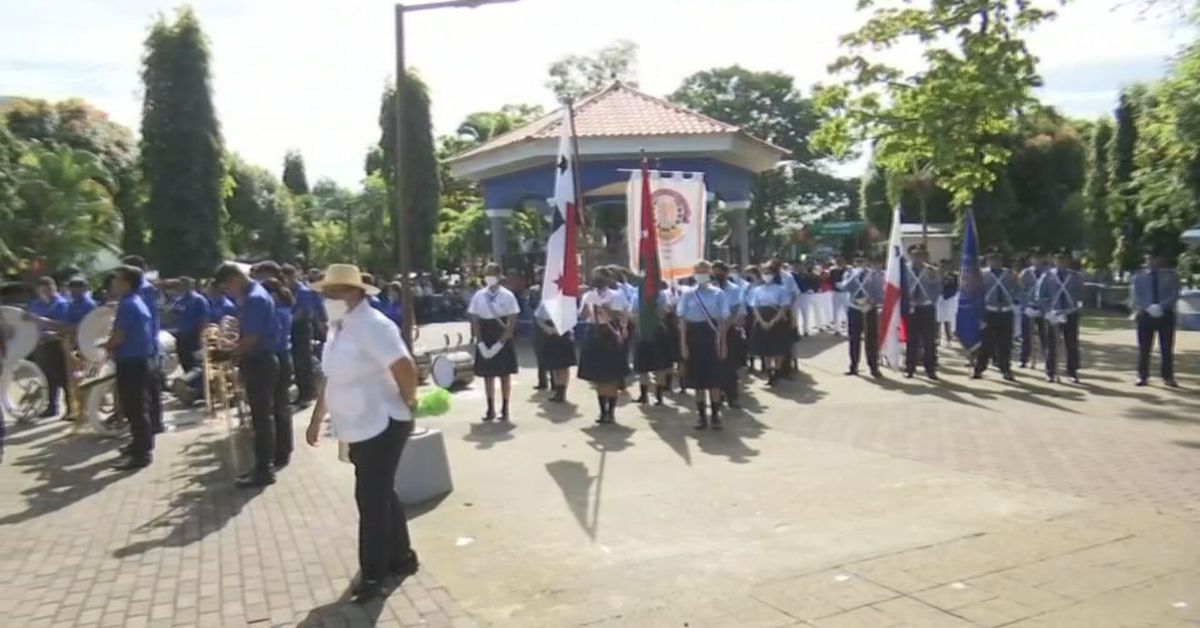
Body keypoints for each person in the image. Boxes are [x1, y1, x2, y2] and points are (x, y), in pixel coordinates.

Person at [304, 263, 420, 602]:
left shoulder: (373, 325)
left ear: (356, 292)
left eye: (335, 292)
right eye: (326, 293)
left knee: (370, 500)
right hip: (357, 425)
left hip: (382, 423)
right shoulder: (338, 327)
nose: (328, 298)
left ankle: (373, 573)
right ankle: (402, 557)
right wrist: (316, 418)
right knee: (381, 493)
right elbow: (330, 376)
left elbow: (405, 367)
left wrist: (409, 402)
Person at [213, 262, 280, 487]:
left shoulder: (255, 299)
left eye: (228, 287)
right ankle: (262, 465)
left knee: (262, 418)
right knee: (259, 417)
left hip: (261, 361)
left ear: (235, 279)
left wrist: (227, 353)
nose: (228, 292)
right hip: (256, 361)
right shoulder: (251, 296)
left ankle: (264, 469)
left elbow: (252, 339)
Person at [105, 265, 157, 470]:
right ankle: (139, 444)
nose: (113, 284)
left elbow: (119, 336)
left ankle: (142, 454)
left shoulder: (128, 305)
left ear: (126, 283)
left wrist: (106, 346)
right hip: (138, 360)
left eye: (117, 280)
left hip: (132, 362)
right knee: (135, 406)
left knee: (135, 407)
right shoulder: (136, 301)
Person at [678, 261, 730, 430]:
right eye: (697, 271)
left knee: (713, 381)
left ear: (709, 273)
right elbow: (683, 321)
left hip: (711, 336)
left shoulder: (718, 294)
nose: (700, 274)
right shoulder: (688, 295)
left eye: (704, 271)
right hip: (693, 337)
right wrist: (683, 345)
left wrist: (723, 344)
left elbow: (722, 321)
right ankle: (701, 417)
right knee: (697, 382)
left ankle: (715, 416)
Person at [468, 263, 520, 422]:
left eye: (491, 273)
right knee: (487, 375)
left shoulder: (507, 295)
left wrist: (502, 341)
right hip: (485, 333)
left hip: (501, 333)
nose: (488, 276)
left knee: (505, 375)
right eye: (486, 273)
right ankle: (490, 407)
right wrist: (480, 342)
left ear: (499, 275)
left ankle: (505, 407)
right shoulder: (479, 295)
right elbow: (475, 319)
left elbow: (512, 321)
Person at [578, 268, 630, 424]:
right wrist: (587, 304)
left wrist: (601, 305)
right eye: (595, 277)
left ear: (608, 280)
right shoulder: (588, 295)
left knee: (611, 377)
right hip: (593, 332)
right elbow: (583, 315)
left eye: (600, 277)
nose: (597, 280)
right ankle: (602, 411)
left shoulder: (615, 295)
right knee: (598, 377)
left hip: (609, 333)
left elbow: (619, 314)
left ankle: (611, 411)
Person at [121, 255, 164, 433]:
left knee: (148, 388)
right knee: (149, 385)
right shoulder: (145, 289)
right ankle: (154, 423)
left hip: (145, 342)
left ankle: (154, 423)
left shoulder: (143, 290)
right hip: (147, 341)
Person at [1035, 249, 1084, 383]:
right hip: (1053, 313)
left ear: (1069, 261)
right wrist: (1047, 311)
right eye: (1059, 259)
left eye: (1065, 259)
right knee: (1051, 344)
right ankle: (1050, 372)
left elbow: (1080, 295)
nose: (1062, 262)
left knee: (1072, 343)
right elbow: (1040, 296)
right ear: (1055, 260)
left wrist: (1077, 307)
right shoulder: (1047, 276)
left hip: (1070, 312)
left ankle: (1072, 372)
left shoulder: (1075, 276)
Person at [1131, 251, 1179, 387]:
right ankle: (1142, 375)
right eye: (1150, 259)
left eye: (1155, 258)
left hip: (1166, 314)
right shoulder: (1138, 277)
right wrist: (1148, 307)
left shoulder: (1171, 276)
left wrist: (1161, 307)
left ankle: (1168, 376)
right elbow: (1136, 296)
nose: (1152, 261)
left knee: (1166, 348)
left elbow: (1174, 294)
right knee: (1144, 347)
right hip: (1145, 315)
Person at [262, 278, 296, 468]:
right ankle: (282, 449)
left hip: (279, 357)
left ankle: (282, 451)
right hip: (282, 357)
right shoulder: (281, 310)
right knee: (280, 406)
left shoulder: (278, 312)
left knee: (279, 407)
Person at [27, 277, 70, 418]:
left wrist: (43, 321)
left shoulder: (62, 304)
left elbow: (64, 325)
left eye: (48, 289)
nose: (45, 293)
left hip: (56, 344)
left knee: (62, 377)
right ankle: (52, 407)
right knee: (46, 378)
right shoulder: (36, 304)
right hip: (40, 344)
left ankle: (71, 407)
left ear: (54, 288)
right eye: (42, 290)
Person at [974, 251, 1020, 381]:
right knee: (985, 343)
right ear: (988, 261)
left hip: (1005, 311)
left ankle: (1006, 369)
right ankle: (979, 368)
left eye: (998, 259)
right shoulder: (982, 274)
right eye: (993, 259)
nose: (996, 262)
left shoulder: (1010, 274)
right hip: (989, 311)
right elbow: (977, 292)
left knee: (1005, 343)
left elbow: (1017, 290)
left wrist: (1014, 299)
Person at [283, 264, 321, 405]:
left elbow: (305, 312)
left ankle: (308, 393)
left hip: (302, 329)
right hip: (292, 329)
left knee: (304, 361)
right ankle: (301, 392)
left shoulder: (304, 292)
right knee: (296, 363)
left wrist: (287, 320)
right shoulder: (288, 291)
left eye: (287, 277)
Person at [630, 278, 672, 406]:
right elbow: (633, 313)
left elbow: (663, 313)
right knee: (642, 367)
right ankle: (644, 395)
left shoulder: (660, 294)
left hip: (656, 332)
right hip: (643, 332)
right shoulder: (637, 294)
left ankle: (658, 396)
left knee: (659, 366)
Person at [840, 254, 884, 378]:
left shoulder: (875, 275)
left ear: (867, 262)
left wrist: (872, 302)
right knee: (854, 338)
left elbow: (879, 292)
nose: (860, 263)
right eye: (857, 261)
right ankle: (853, 366)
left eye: (862, 261)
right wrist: (853, 275)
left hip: (869, 308)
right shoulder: (849, 273)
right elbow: (844, 287)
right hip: (854, 308)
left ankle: (873, 367)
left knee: (871, 339)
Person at [749, 263, 792, 384]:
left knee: (778, 348)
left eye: (769, 273)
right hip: (762, 318)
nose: (766, 276)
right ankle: (769, 372)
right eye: (764, 273)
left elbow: (784, 306)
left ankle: (777, 371)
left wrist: (773, 321)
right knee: (765, 348)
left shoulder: (781, 289)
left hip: (777, 319)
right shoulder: (757, 289)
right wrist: (761, 321)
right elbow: (755, 307)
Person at [904, 246, 942, 380]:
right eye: (915, 255)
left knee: (929, 340)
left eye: (920, 255)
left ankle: (930, 369)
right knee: (911, 340)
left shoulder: (931, 270)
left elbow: (938, 288)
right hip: (911, 308)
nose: (917, 258)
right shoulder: (904, 269)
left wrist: (931, 300)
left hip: (926, 308)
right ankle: (910, 368)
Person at [713, 262, 746, 408]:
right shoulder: (709, 289)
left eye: (719, 272)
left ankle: (732, 396)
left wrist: (724, 328)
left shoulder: (734, 289)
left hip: (729, 331)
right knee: (714, 365)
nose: (716, 275)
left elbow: (734, 310)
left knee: (730, 365)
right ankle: (717, 395)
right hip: (711, 330)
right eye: (714, 272)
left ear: (726, 274)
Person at [534, 297, 576, 403]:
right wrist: (546, 328)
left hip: (564, 333)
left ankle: (562, 391)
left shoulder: (567, 301)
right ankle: (557, 390)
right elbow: (538, 317)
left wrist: (559, 329)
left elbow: (572, 319)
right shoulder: (545, 300)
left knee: (563, 366)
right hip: (549, 333)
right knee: (554, 365)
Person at [170, 277, 210, 375]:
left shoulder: (199, 300)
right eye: (180, 284)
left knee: (195, 363)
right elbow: (173, 313)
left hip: (194, 336)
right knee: (184, 360)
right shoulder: (180, 300)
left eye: (184, 284)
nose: (181, 287)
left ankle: (196, 384)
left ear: (190, 286)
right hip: (181, 335)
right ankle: (187, 382)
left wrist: (200, 336)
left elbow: (203, 319)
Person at [1018, 249, 1047, 368]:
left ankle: (1047, 360)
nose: (1037, 260)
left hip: (1044, 309)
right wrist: (1025, 307)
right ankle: (1024, 359)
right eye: (1035, 257)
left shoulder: (1048, 273)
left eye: (1039, 257)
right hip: (1029, 307)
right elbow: (1020, 291)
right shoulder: (1025, 273)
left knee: (1045, 336)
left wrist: (1045, 307)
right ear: (1031, 259)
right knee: (1026, 336)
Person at [937, 260, 959, 344]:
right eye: (941, 266)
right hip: (938, 299)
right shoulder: (935, 275)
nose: (943, 268)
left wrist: (947, 295)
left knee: (947, 319)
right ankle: (937, 337)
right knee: (937, 320)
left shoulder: (953, 276)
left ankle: (948, 338)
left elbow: (955, 288)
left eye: (944, 266)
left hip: (948, 300)